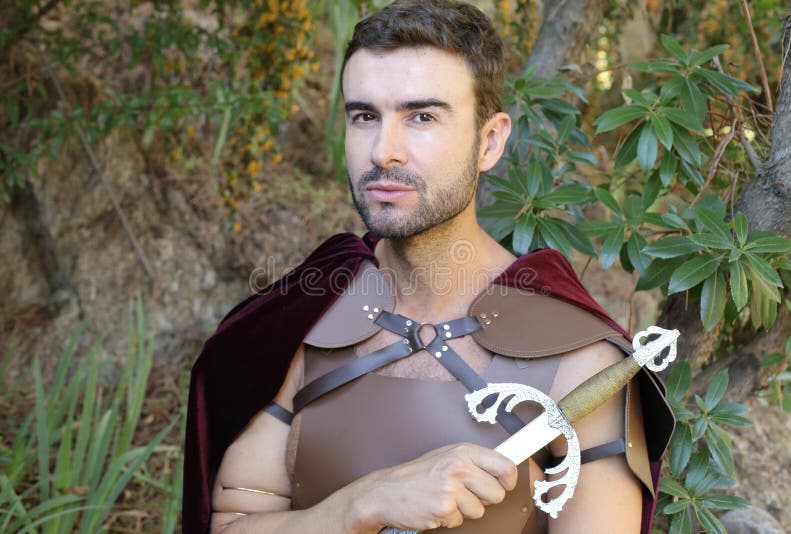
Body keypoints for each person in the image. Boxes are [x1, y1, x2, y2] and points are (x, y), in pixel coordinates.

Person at [182, 1, 674, 532]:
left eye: (422, 116)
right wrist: (362, 504)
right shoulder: (301, 322)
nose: (383, 151)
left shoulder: (580, 363)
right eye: (364, 116)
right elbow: (232, 525)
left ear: (489, 141)